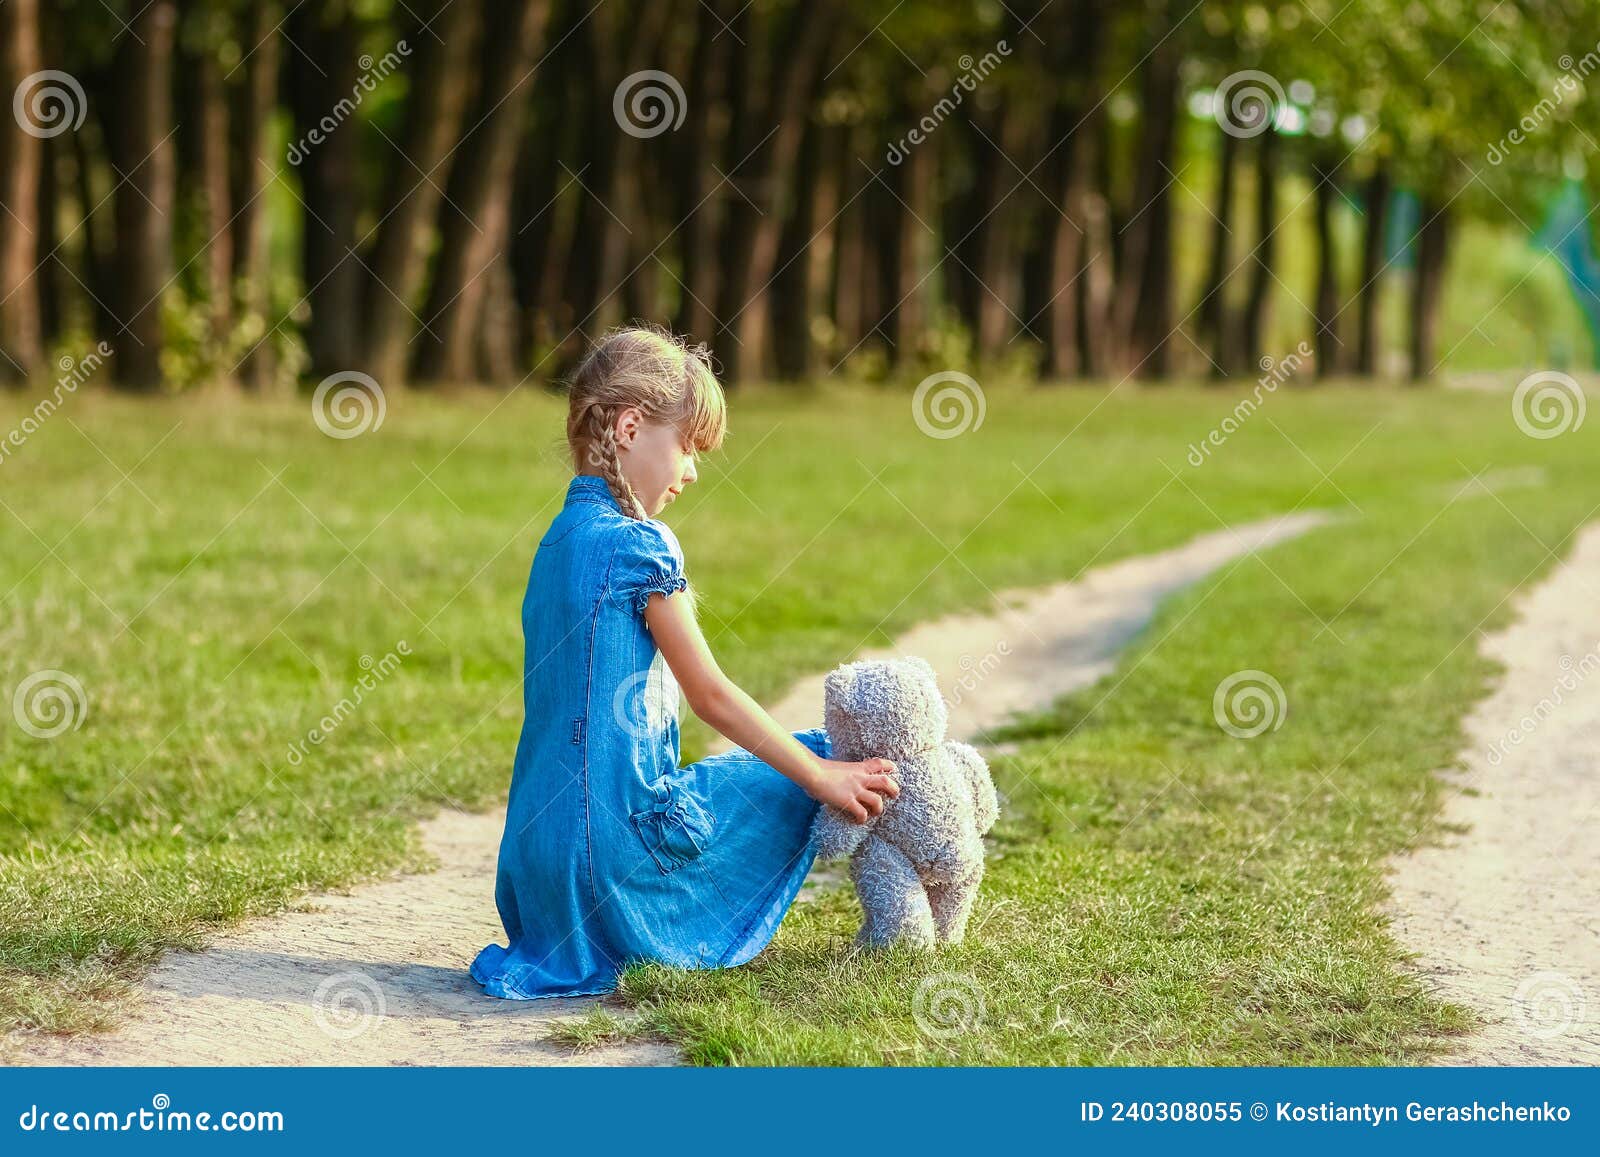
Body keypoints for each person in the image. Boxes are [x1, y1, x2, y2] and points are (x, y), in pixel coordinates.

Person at [471, 325, 900, 998]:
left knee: (806, 768)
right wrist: (818, 773)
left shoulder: (555, 543)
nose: (694, 470)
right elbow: (710, 695)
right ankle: (901, 909)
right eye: (689, 446)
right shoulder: (642, 545)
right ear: (632, 427)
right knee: (831, 758)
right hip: (612, 870)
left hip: (535, 873)